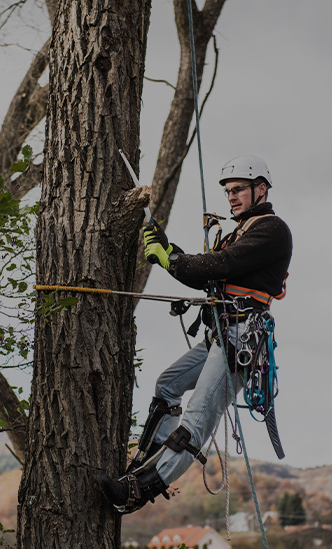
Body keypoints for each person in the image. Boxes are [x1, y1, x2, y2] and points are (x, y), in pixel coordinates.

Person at [99, 155, 293, 513]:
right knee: (167, 384)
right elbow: (209, 271)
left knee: (196, 420)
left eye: (238, 190)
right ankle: (145, 461)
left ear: (260, 189)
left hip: (239, 341)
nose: (232, 197)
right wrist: (170, 250)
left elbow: (221, 266)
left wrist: (170, 257)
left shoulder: (271, 229)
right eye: (228, 192)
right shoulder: (240, 230)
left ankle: (136, 491)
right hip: (221, 333)